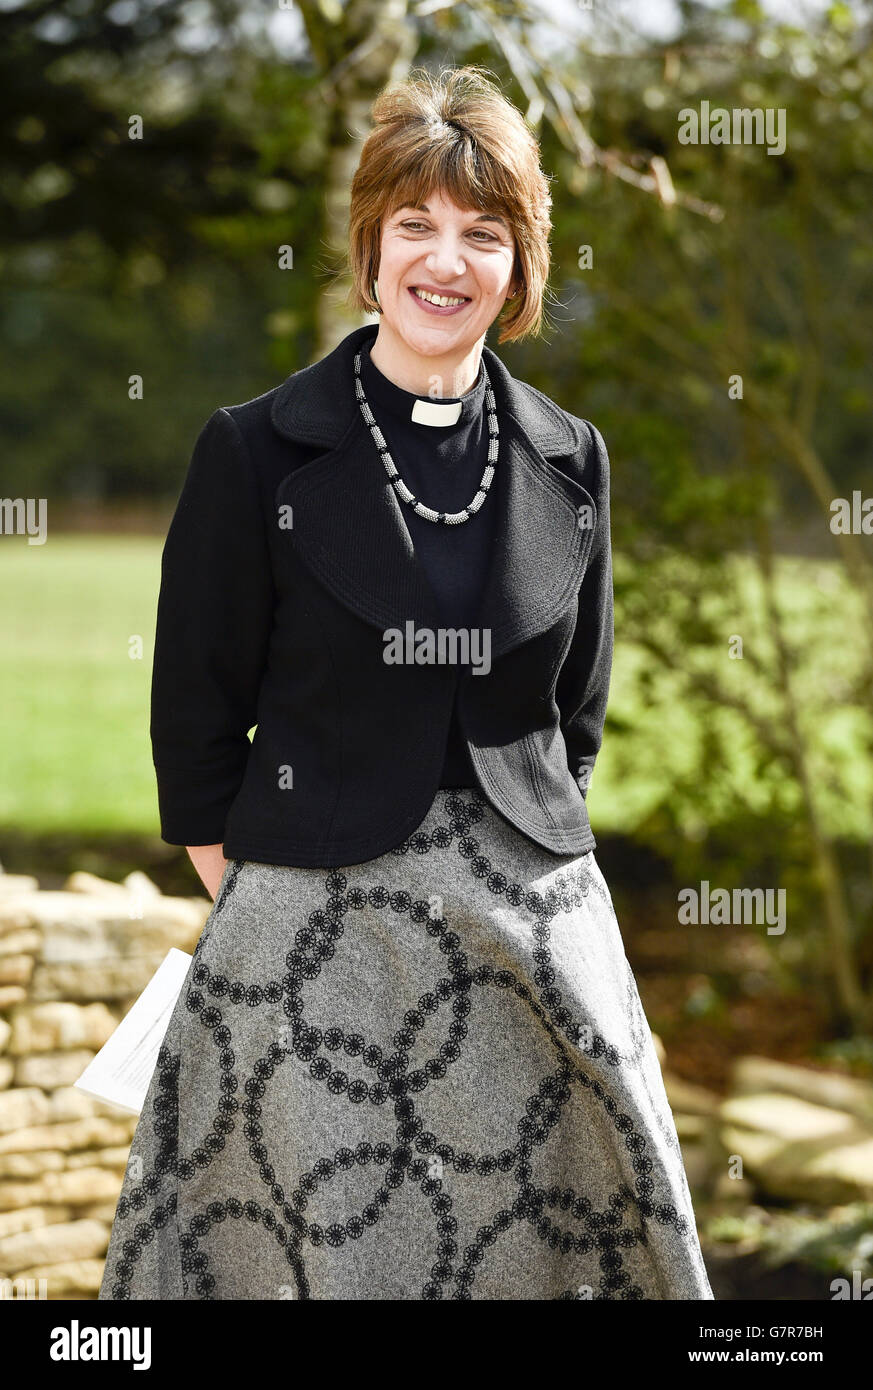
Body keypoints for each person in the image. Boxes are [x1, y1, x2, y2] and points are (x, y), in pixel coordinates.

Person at [99, 65, 714, 1301]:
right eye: (417, 226)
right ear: (370, 245)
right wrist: (278, 901)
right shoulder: (254, 450)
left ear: (521, 263)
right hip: (306, 948)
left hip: (534, 941)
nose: (448, 260)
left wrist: (519, 876)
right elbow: (197, 728)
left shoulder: (571, 459)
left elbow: (571, 723)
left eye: (483, 232)